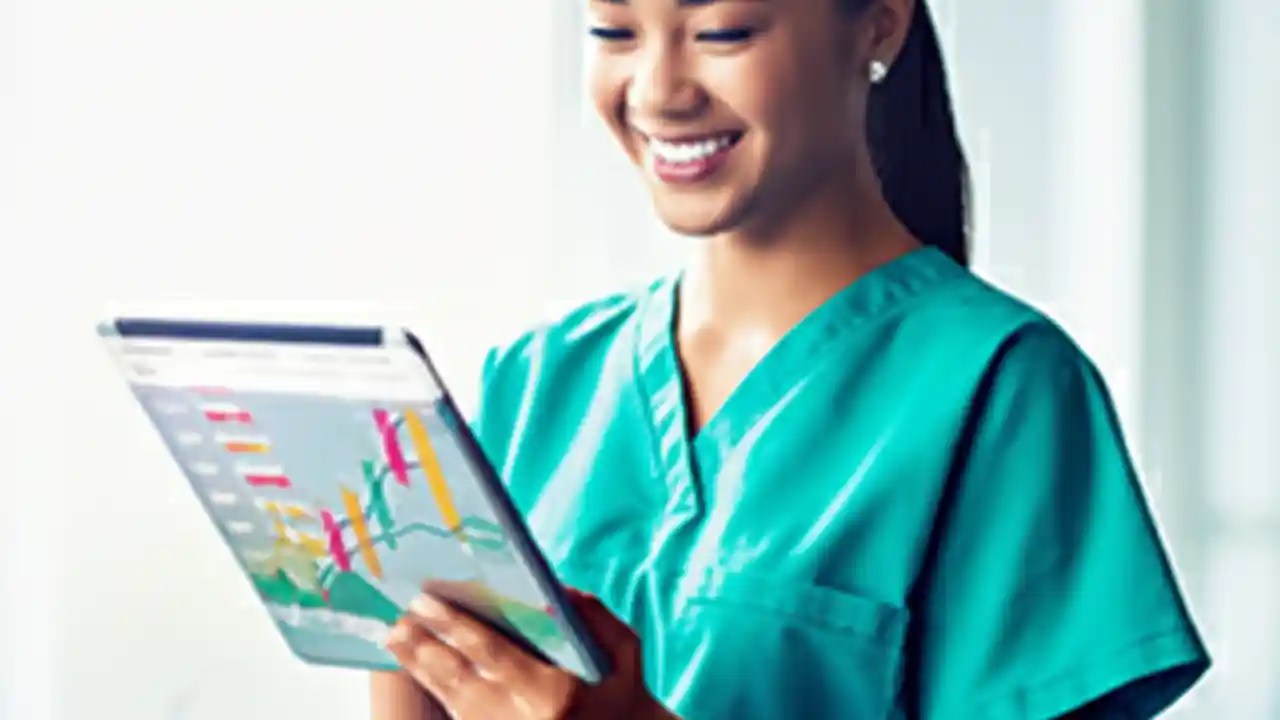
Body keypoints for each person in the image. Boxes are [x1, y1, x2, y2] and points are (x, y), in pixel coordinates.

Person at [371, 0, 1212, 717]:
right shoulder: (535, 381)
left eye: (725, 31)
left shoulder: (1002, 387)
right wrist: (397, 648)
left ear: (878, 25)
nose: (659, 91)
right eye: (613, 31)